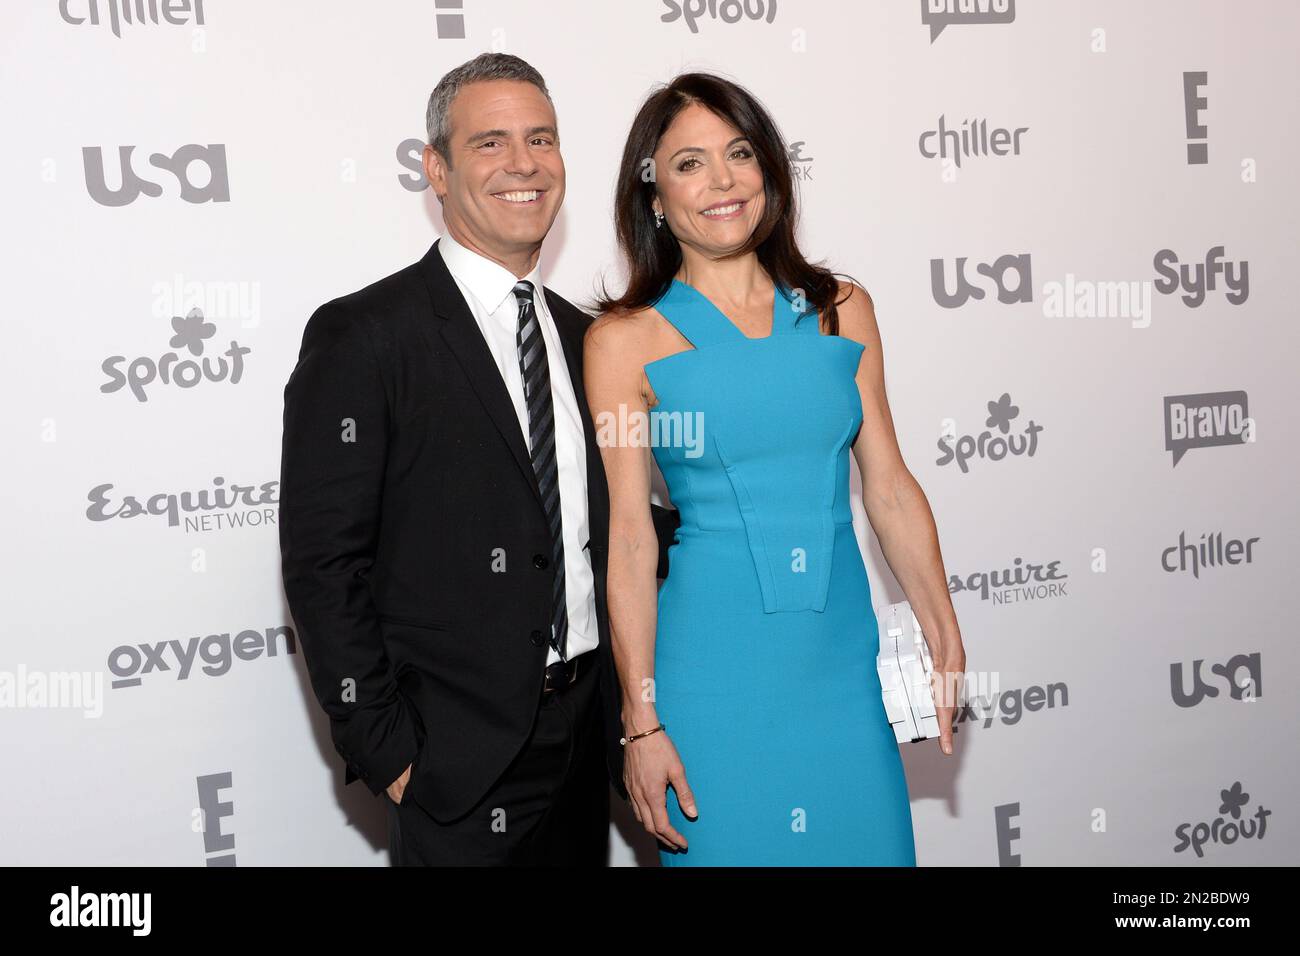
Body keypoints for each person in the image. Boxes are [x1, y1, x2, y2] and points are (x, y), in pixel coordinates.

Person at [279, 52, 677, 866]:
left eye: (542, 139)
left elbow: (620, 530)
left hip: (585, 746)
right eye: (491, 143)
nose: (524, 164)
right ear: (437, 168)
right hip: (454, 764)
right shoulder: (365, 336)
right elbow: (324, 565)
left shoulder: (588, 339)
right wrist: (390, 753)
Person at [584, 72, 967, 865]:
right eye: (689, 164)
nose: (722, 181)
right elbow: (627, 540)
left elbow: (889, 486)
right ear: (655, 196)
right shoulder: (624, 340)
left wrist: (943, 629)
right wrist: (641, 720)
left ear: (771, 173)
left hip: (841, 672)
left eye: (740, 154)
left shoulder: (839, 307)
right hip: (710, 680)